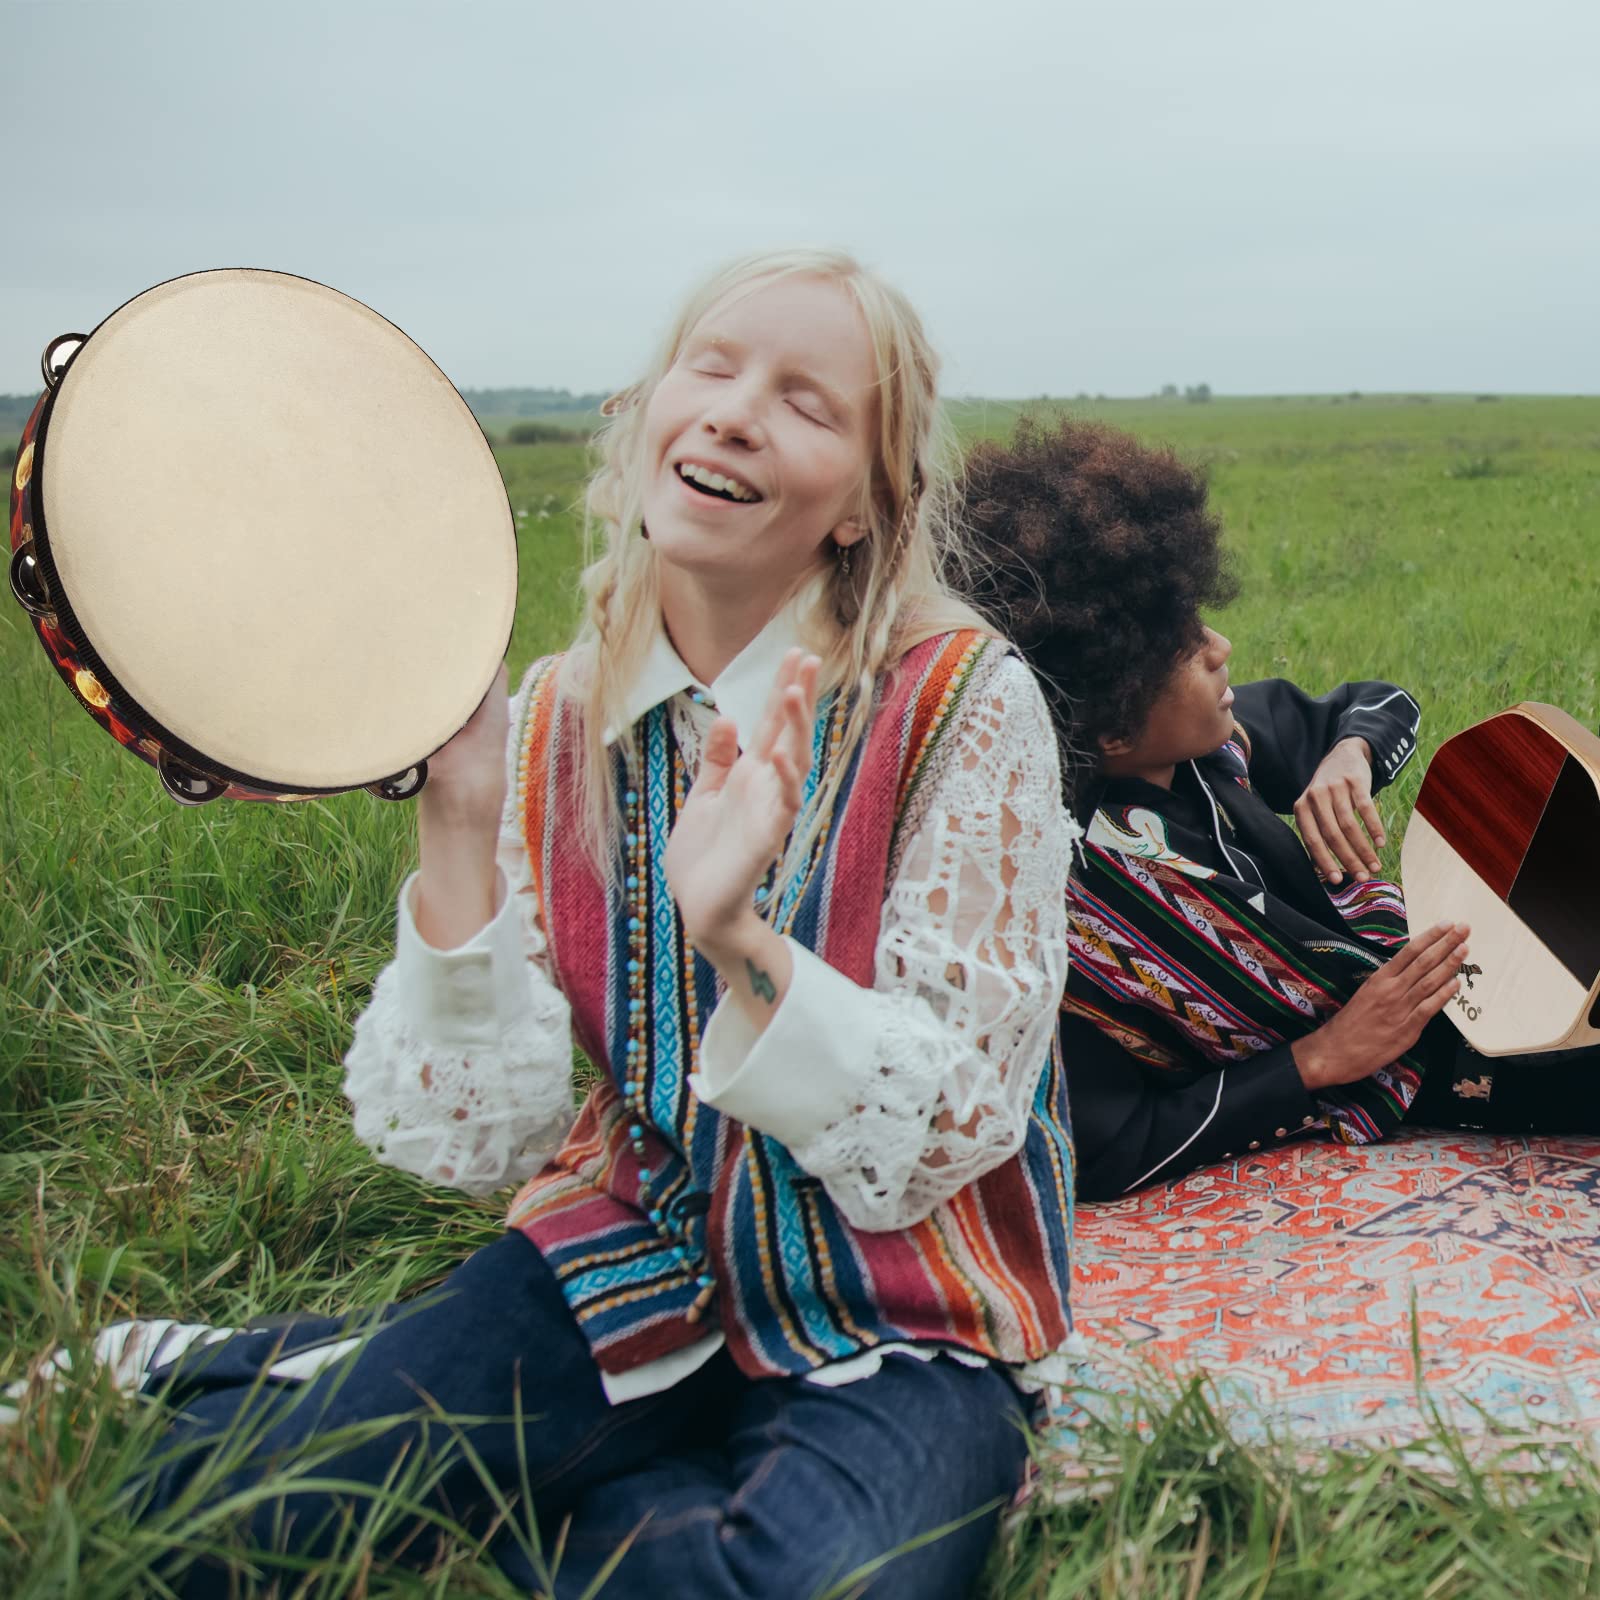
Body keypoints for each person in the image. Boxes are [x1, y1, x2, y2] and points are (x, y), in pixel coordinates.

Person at [76, 251, 1076, 1597]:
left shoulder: (965, 701)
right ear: (651, 411)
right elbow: (490, 1133)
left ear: (862, 505)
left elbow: (955, 1121)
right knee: (206, 1518)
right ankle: (367, 1400)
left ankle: (521, 1457)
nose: (733, 412)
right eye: (711, 367)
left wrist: (740, 940)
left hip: (900, 1311)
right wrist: (457, 821)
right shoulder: (554, 717)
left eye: (805, 402)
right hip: (622, 1258)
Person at [962, 413, 1596, 1203]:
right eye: (1184, 650)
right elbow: (1110, 1150)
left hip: (1446, 958)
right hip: (1445, 1064)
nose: (1221, 644)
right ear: (1114, 722)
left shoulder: (1206, 753)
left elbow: (1380, 704)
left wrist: (1347, 755)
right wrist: (1321, 1059)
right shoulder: (1068, 915)